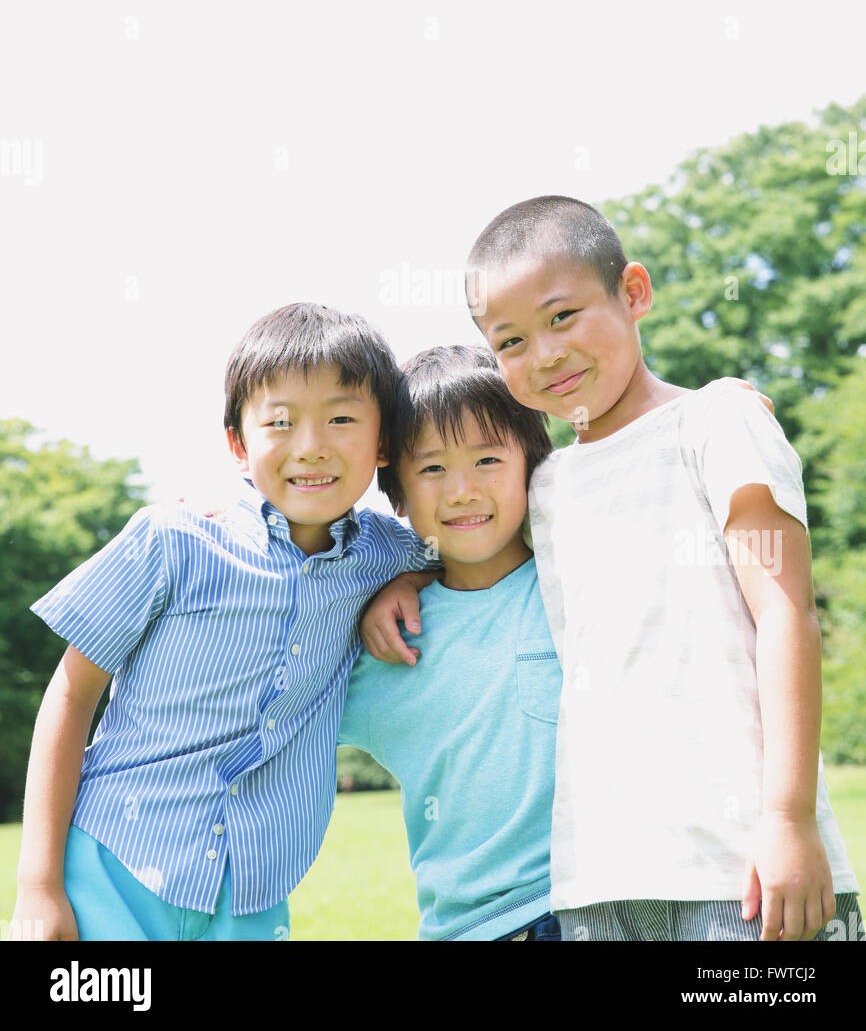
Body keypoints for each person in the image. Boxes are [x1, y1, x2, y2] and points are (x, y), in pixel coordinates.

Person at [363, 195, 862, 942]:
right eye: (513, 342)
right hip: (596, 885)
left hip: (741, 872)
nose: (547, 355)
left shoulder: (715, 421)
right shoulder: (548, 486)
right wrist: (408, 577)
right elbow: (467, 528)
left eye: (563, 318)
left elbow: (787, 613)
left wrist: (788, 821)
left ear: (633, 292)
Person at [11, 302, 439, 942]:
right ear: (239, 444)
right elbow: (71, 696)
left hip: (254, 891)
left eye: (341, 418)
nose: (312, 446)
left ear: (382, 442)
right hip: (113, 864)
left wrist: (404, 581)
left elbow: (467, 549)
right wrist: (39, 889)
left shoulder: (383, 553)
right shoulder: (174, 538)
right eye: (281, 422)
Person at [340, 344, 562, 941]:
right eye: (432, 468)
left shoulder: (576, 585)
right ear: (398, 491)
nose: (461, 490)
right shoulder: (384, 639)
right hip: (463, 929)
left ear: (531, 464)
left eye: (488, 458)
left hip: (586, 909)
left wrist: (707, 419)